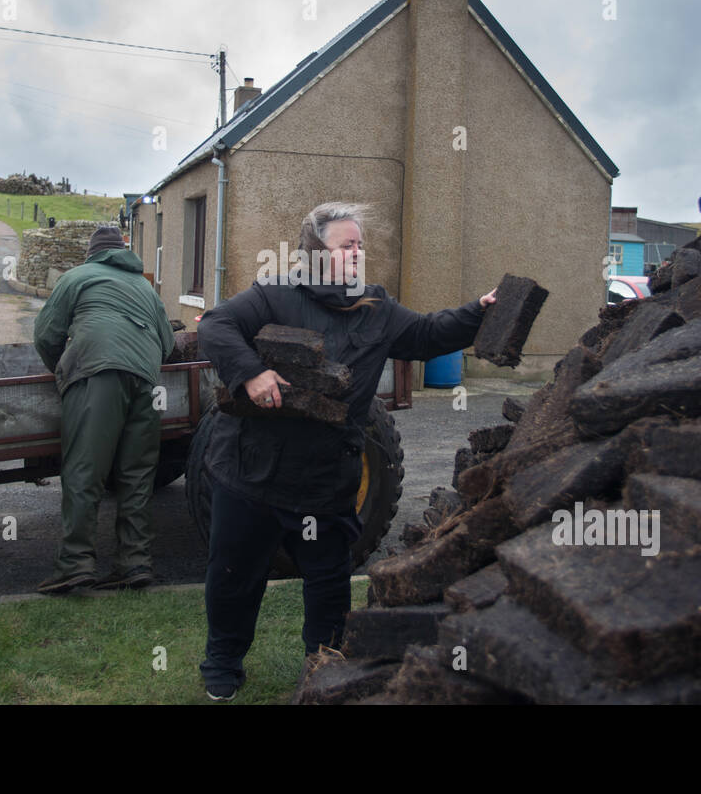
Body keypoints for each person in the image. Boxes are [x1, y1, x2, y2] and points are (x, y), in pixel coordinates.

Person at [195, 201, 497, 700]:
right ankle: (223, 663)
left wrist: (476, 313)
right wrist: (250, 372)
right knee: (234, 576)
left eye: (360, 244)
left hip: (326, 478)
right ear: (316, 254)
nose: (359, 252)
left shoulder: (376, 307)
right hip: (251, 472)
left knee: (329, 583)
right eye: (347, 245)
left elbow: (427, 334)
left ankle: (327, 667)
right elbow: (215, 326)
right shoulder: (274, 295)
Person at [32, 224, 175, 594]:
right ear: (123, 253)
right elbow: (169, 343)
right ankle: (134, 562)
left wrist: (64, 371)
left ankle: (76, 564)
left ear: (92, 253)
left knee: (85, 471)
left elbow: (46, 334)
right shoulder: (145, 286)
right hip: (145, 381)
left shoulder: (77, 276)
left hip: (96, 374)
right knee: (136, 475)